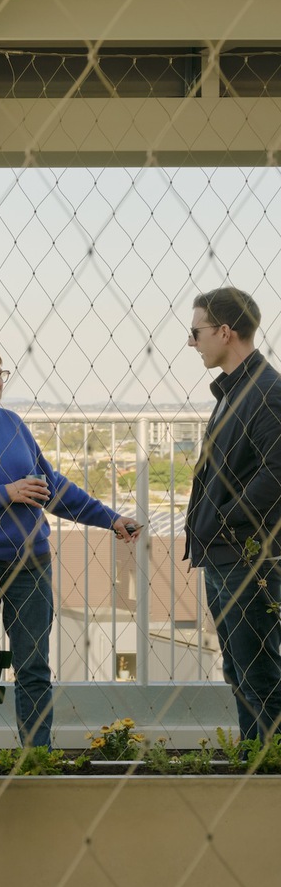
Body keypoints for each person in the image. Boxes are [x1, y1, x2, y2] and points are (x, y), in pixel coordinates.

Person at [0, 339, 140, 748]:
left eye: (0, 373)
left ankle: (36, 757)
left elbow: (51, 487)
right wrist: (4, 493)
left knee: (33, 668)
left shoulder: (12, 424)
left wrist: (110, 519)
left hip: (30, 563)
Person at [184, 288, 281, 741]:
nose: (192, 342)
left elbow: (277, 471)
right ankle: (253, 765)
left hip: (248, 555)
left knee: (258, 674)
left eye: (197, 331)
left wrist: (223, 519)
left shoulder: (265, 391)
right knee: (242, 673)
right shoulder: (235, 390)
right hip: (228, 554)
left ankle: (266, 774)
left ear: (225, 331)